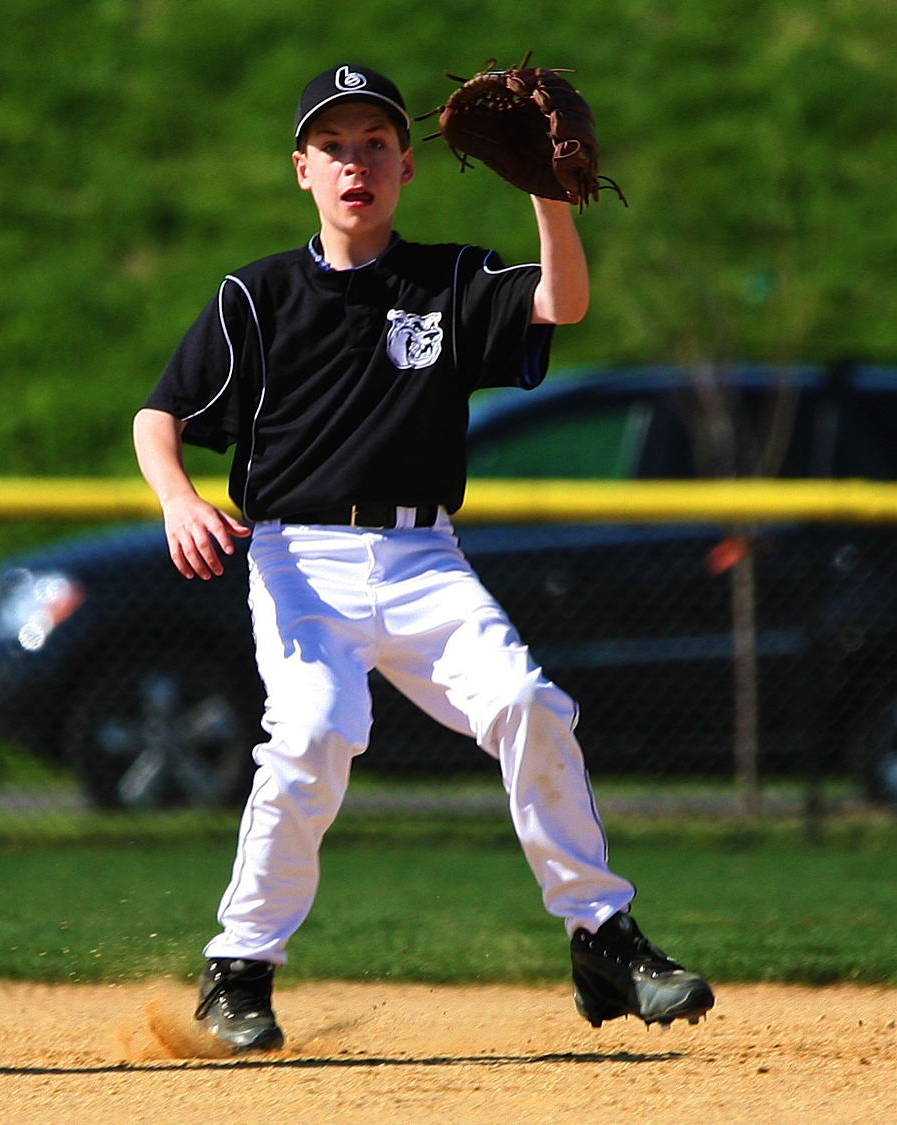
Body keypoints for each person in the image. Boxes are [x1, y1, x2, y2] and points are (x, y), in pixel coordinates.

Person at [131, 65, 714, 1054]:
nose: (352, 162)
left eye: (372, 144)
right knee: (314, 731)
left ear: (405, 165)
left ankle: (601, 940)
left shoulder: (448, 279)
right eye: (332, 146)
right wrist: (177, 497)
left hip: (419, 556)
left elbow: (559, 306)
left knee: (527, 704)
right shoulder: (256, 294)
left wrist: (547, 197)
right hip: (297, 560)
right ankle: (237, 969)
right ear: (300, 171)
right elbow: (161, 415)